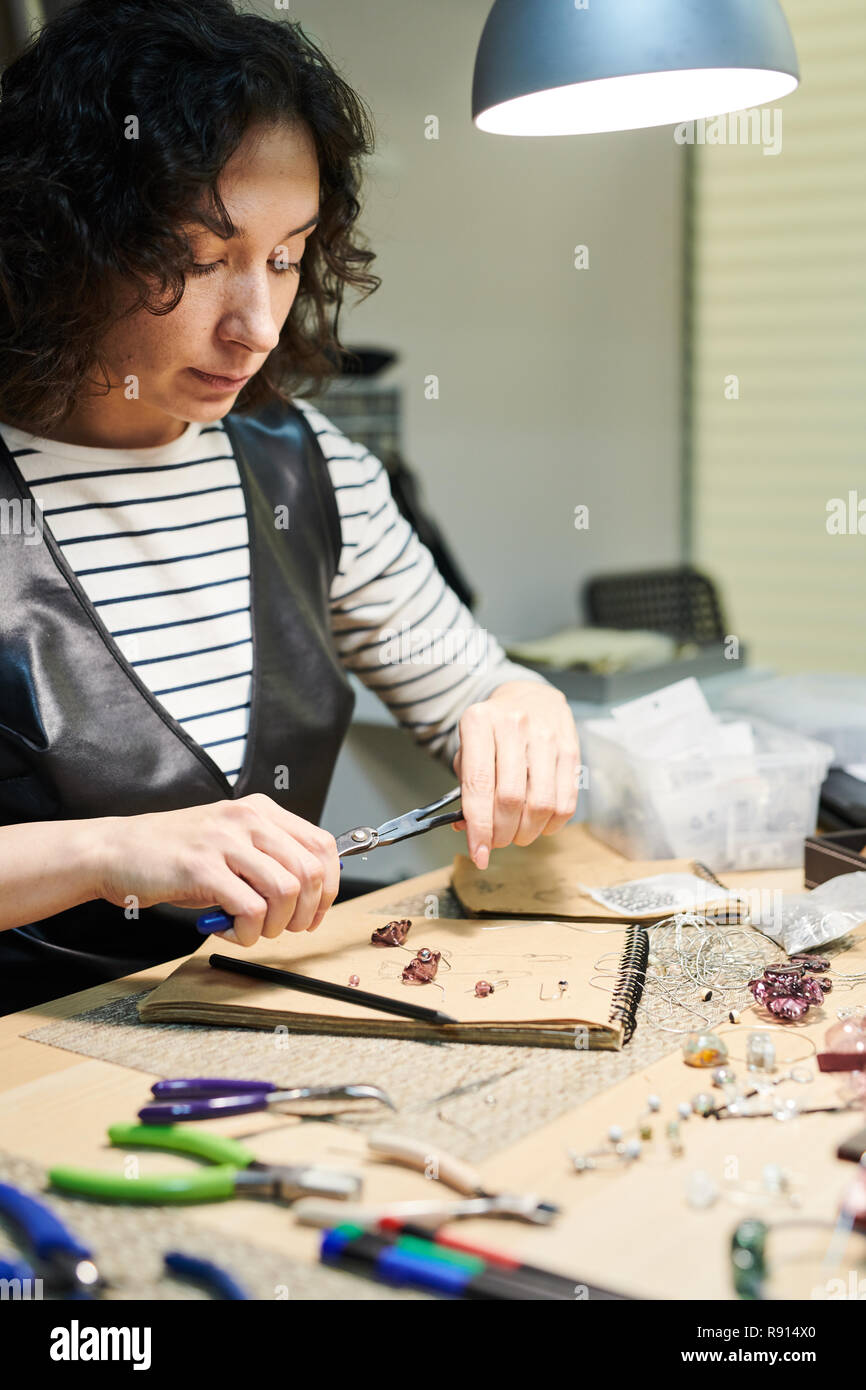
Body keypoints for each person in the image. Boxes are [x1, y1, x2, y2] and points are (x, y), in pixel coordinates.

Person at [0, 0, 581, 1014]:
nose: (255, 326)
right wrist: (106, 850)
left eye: (285, 255)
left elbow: (478, 695)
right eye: (193, 258)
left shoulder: (309, 469)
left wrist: (522, 710)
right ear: (63, 241)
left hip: (251, 1030)